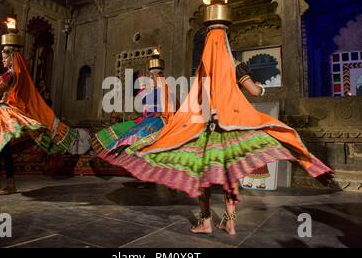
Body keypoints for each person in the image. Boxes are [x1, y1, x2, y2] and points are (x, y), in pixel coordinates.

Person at [101, 27, 334, 236]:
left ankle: (205, 222)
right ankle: (230, 223)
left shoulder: (204, 67)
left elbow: (197, 102)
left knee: (203, 175)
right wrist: (258, 88)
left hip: (204, 130)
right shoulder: (235, 66)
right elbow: (255, 92)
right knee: (228, 176)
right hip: (231, 129)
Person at [0, 25, 90, 195]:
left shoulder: (9, 75)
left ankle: (6, 183)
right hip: (1, 115)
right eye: (2, 57)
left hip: (7, 116)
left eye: (5, 57)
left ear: (13, 57)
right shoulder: (14, 74)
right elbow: (3, 94)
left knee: (0, 148)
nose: (3, 60)